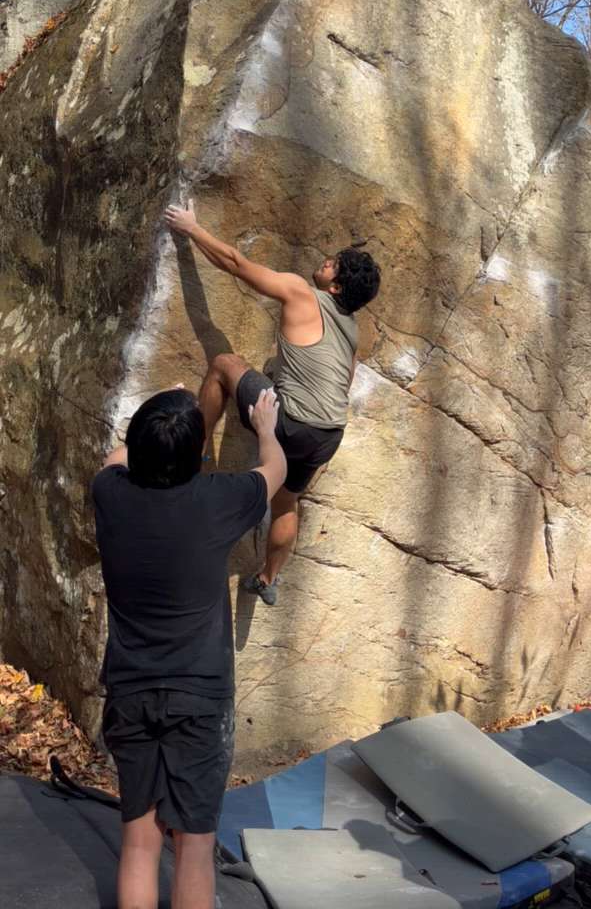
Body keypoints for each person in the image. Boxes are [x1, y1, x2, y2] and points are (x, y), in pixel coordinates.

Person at [93, 385, 286, 909]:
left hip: (130, 694)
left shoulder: (109, 494)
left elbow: (116, 458)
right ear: (198, 455)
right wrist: (266, 428)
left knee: (138, 840)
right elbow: (275, 471)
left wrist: (161, 407)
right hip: (199, 700)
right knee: (195, 847)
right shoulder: (219, 500)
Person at [164, 201, 381, 606]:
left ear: (334, 287)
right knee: (286, 501)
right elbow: (343, 383)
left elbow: (234, 263)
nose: (325, 261)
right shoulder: (352, 332)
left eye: (332, 264)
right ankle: (267, 577)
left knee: (224, 365)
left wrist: (191, 229)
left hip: (292, 421)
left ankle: (193, 453)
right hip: (327, 434)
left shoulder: (303, 293)